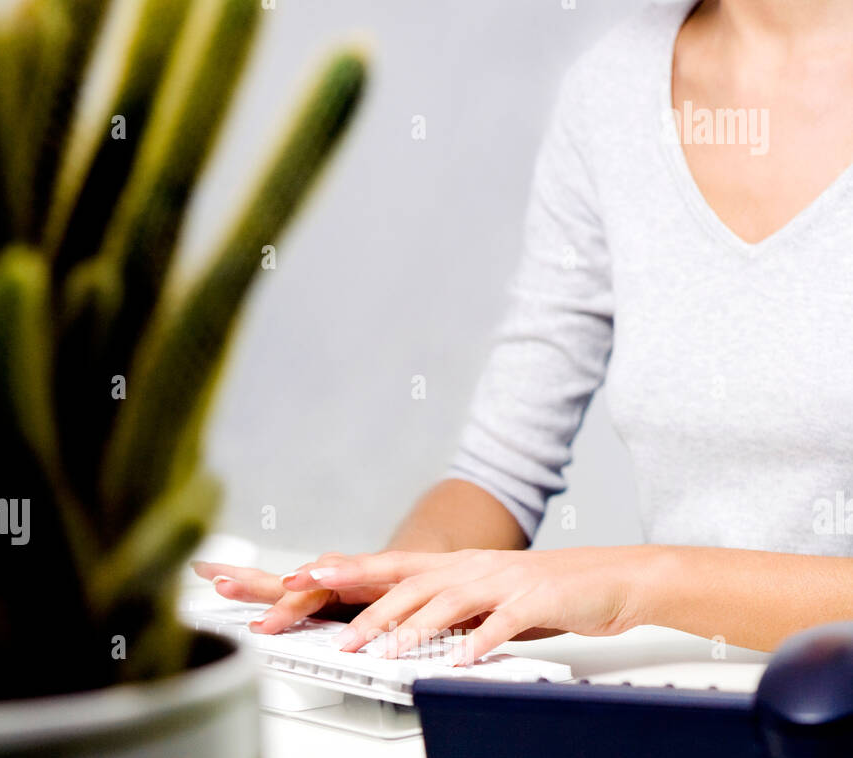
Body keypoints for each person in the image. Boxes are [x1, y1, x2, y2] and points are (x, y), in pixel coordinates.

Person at [197, 0, 853, 662]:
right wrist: (396, 589)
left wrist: (645, 581)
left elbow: (644, 582)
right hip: (692, 719)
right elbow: (499, 470)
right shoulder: (611, 90)